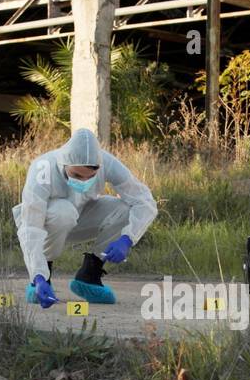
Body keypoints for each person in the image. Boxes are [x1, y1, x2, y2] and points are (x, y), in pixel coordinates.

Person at [12, 128, 157, 307]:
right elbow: (31, 227)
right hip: (47, 222)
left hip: (80, 217)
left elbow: (144, 201)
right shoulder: (43, 168)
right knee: (63, 211)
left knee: (125, 208)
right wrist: (38, 275)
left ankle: (90, 275)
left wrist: (127, 239)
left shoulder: (107, 162)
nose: (83, 181)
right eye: (77, 175)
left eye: (91, 176)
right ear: (64, 164)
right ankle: (44, 278)